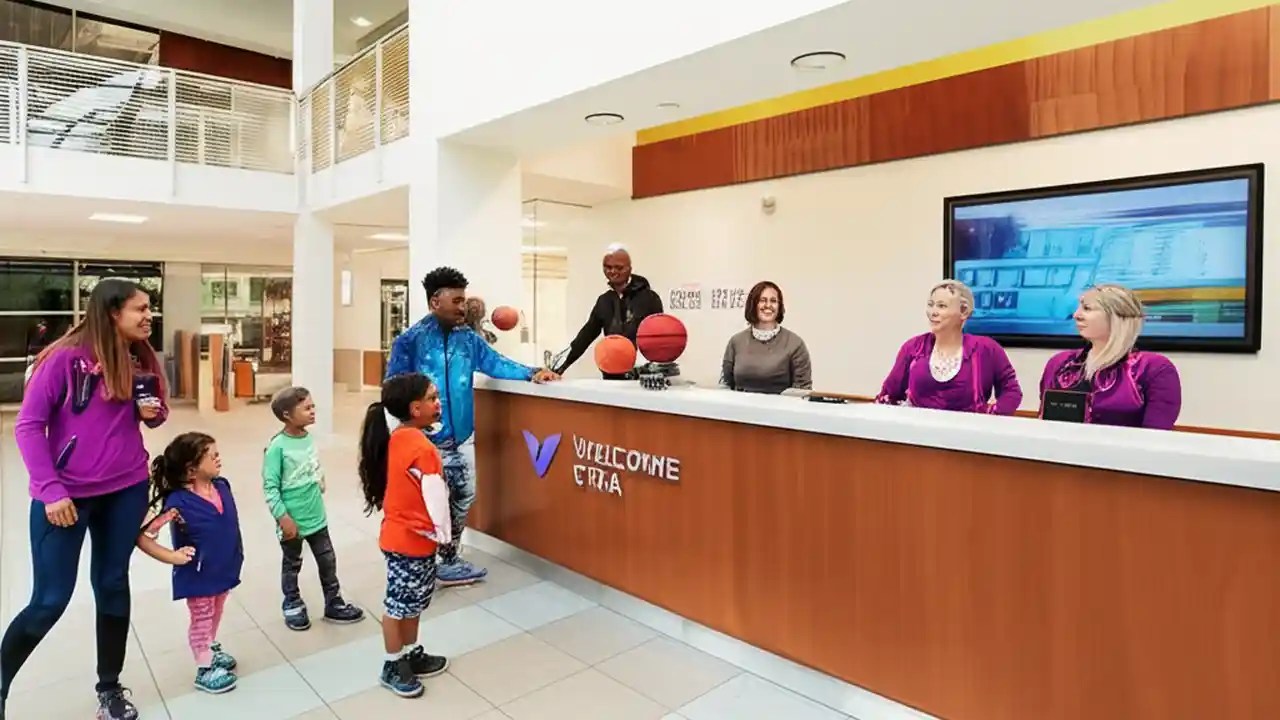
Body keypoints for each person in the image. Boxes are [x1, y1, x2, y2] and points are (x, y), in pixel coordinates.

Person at [0, 278, 168, 720]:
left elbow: (156, 412)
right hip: (66, 498)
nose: (149, 315)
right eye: (140, 308)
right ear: (112, 312)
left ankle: (110, 688)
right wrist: (51, 489)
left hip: (126, 489)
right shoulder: (63, 359)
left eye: (149, 308)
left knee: (112, 585)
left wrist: (151, 412)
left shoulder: (139, 356)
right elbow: (28, 426)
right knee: (49, 601)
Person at [385, 266, 559, 587]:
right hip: (425, 442)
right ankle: (421, 560)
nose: (463, 307)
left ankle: (448, 559)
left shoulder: (468, 339)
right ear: (435, 302)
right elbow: (392, 388)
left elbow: (495, 363)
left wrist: (532, 372)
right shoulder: (410, 341)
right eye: (456, 301)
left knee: (464, 496)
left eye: (463, 300)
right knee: (426, 504)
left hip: (462, 439)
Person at [358, 372, 452, 699]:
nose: (438, 403)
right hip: (411, 541)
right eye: (432, 398)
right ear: (415, 408)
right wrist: (445, 536)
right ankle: (392, 663)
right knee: (398, 606)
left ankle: (411, 653)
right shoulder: (423, 449)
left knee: (412, 602)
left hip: (405, 539)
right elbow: (436, 499)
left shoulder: (399, 437)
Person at [136, 432, 243, 695]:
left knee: (216, 611)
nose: (218, 458)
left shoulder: (222, 486)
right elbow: (143, 536)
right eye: (212, 456)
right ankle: (204, 667)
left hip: (224, 567)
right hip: (198, 574)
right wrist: (172, 557)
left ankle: (209, 646)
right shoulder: (177, 503)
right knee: (202, 617)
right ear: (191, 470)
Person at [263, 386, 365, 631]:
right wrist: (283, 517)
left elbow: (312, 465)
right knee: (292, 564)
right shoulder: (277, 447)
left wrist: (320, 478)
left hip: (317, 517)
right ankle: (292, 602)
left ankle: (334, 602)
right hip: (292, 522)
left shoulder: (308, 438)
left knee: (327, 560)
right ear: (287, 415)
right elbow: (270, 487)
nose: (312, 411)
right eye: (306, 408)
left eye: (313, 406)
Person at [1039, 283, 1181, 429]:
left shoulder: (1155, 368)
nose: (1076, 315)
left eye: (1087, 308)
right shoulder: (1059, 363)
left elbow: (1155, 434)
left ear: (1116, 316)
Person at [876, 279, 1022, 415]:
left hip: (968, 431)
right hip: (919, 430)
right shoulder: (913, 347)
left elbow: (1012, 391)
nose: (933, 312)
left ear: (963, 312)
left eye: (941, 306)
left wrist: (991, 416)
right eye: (931, 304)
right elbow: (889, 394)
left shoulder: (986, 349)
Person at [553, 244, 664, 378]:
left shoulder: (649, 298)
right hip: (611, 375)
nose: (612, 271)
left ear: (629, 268)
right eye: (608, 267)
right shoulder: (604, 301)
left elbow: (660, 339)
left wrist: (653, 370)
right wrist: (557, 369)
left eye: (619, 267)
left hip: (641, 377)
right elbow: (585, 336)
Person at [720, 281, 813, 394]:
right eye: (762, 300)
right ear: (753, 305)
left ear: (779, 306)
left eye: (773, 301)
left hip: (782, 405)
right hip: (739, 405)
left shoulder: (795, 344)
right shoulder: (736, 342)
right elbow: (726, 384)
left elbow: (803, 390)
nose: (768, 305)